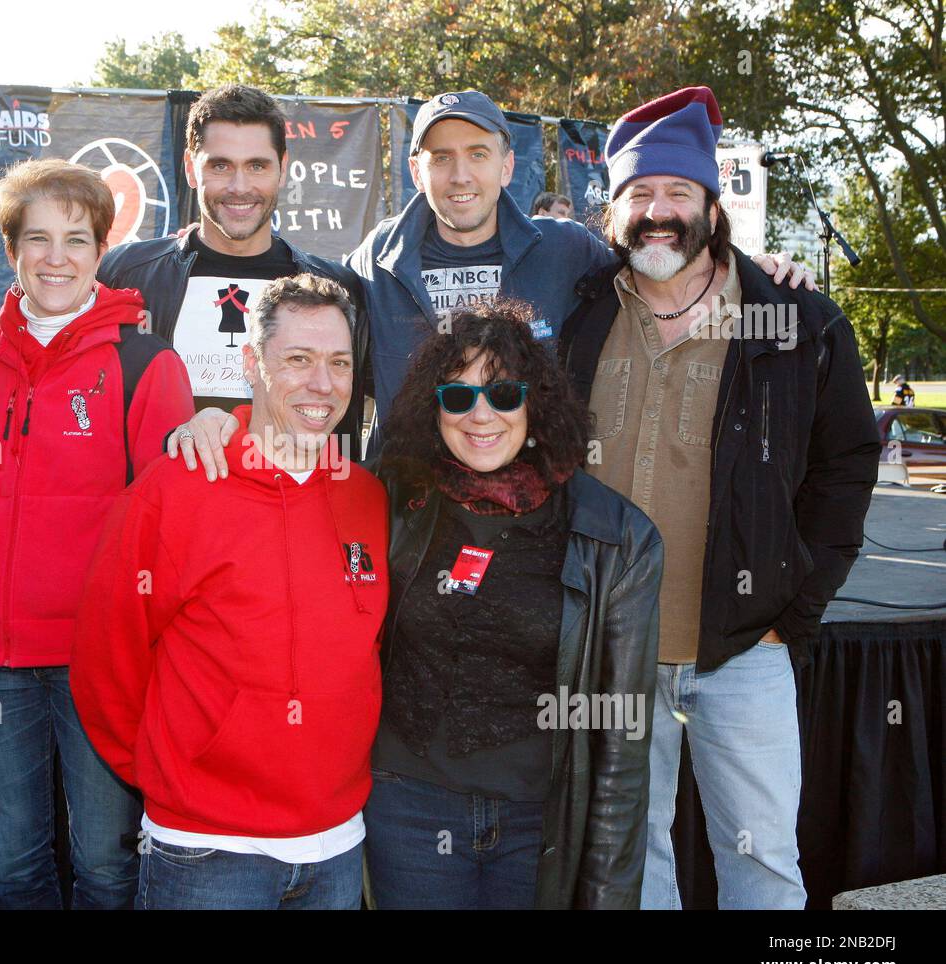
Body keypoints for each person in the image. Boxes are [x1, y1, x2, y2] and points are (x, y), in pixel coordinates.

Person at [558, 86, 880, 909]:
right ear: (613, 210)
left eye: (676, 192)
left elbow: (846, 465)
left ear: (710, 201)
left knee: (764, 862)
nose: (657, 212)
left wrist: (795, 606)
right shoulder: (584, 312)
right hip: (615, 646)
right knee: (638, 858)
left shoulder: (796, 318)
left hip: (745, 647)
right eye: (637, 194)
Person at [71, 274, 388, 910]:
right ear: (252, 363)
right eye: (297, 360)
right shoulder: (178, 488)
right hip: (206, 851)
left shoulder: (366, 495)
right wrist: (174, 778)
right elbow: (107, 657)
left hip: (336, 848)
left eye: (338, 362)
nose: (321, 384)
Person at [0, 158, 194, 910]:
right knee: (12, 869)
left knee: (108, 869)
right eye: (38, 239)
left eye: (76, 240)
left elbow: (170, 530)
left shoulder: (147, 362)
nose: (57, 258)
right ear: (10, 251)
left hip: (99, 659)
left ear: (100, 252)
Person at [366, 299, 661, 909]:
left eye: (503, 395)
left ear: (535, 404)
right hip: (409, 812)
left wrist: (607, 895)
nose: (481, 415)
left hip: (540, 826)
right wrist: (212, 428)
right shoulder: (390, 498)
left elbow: (620, 747)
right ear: (433, 406)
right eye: (458, 396)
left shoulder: (617, 536)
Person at [346, 89, 817, 454]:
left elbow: (658, 258)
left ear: (507, 166)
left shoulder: (562, 248)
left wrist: (741, 266)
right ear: (416, 169)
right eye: (441, 158)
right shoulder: (373, 263)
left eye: (478, 153)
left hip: (530, 522)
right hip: (405, 518)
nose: (461, 175)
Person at [97, 83, 370, 459]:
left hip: (291, 509)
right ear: (192, 169)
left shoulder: (336, 288)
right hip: (165, 507)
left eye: (257, 166)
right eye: (220, 165)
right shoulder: (126, 273)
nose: (240, 188)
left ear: (282, 168)